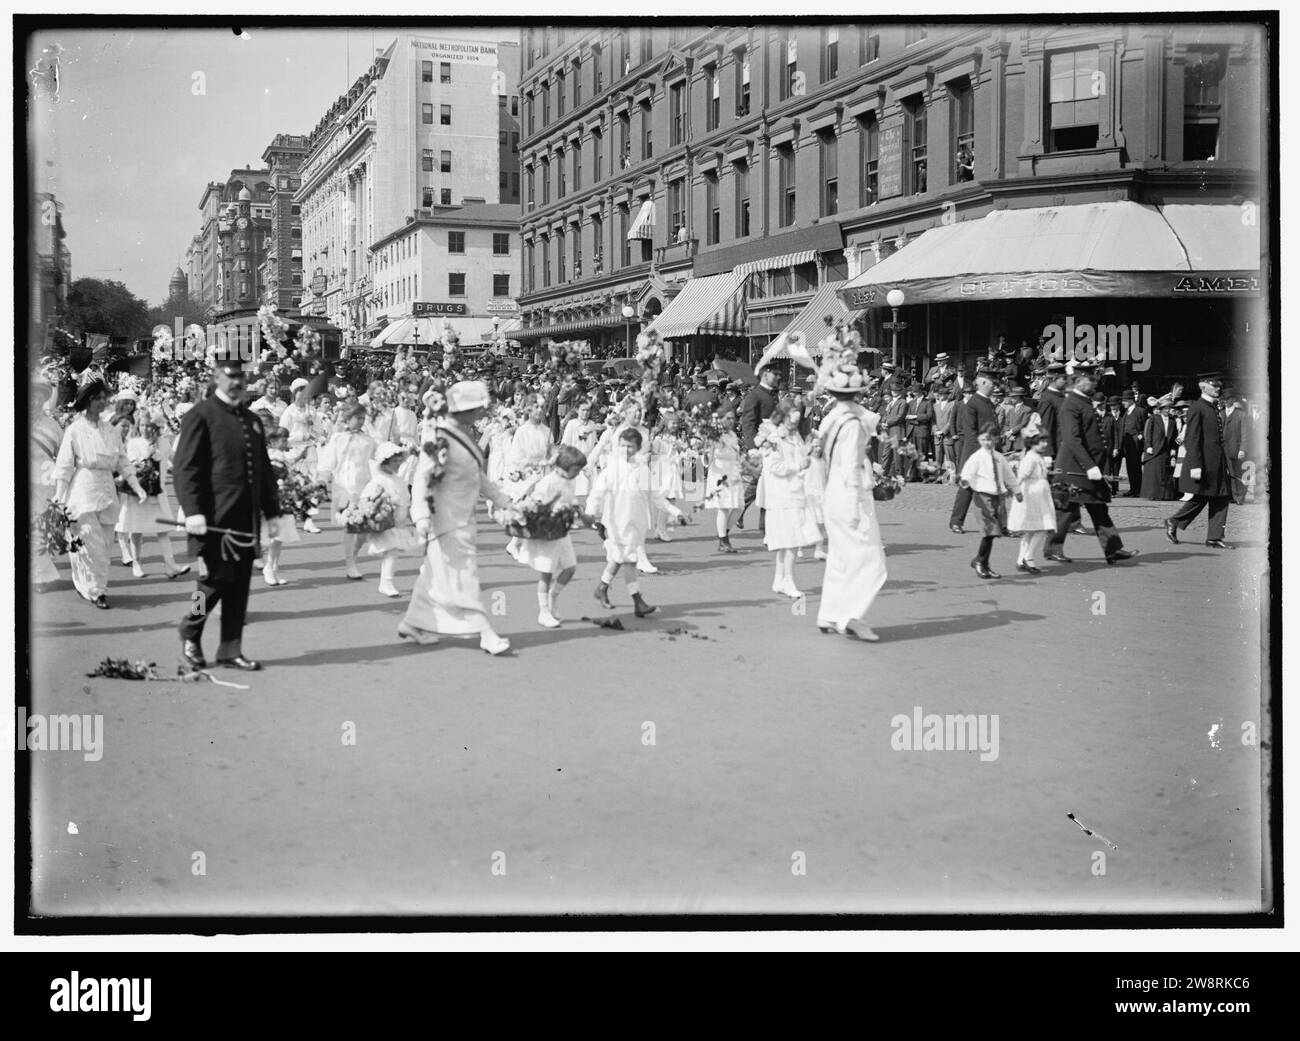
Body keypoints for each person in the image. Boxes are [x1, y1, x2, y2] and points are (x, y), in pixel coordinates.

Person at [173, 359, 284, 669]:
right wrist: (193, 510)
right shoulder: (200, 415)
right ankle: (190, 629)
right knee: (210, 584)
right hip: (212, 519)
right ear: (217, 378)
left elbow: (262, 469)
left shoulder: (251, 419)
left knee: (239, 586)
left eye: (241, 377)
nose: (237, 382)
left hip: (244, 519)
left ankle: (230, 649)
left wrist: (272, 512)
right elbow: (186, 468)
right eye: (231, 376)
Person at [399, 380, 518, 655]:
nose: (480, 414)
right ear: (463, 409)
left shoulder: (461, 434)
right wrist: (420, 516)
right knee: (464, 575)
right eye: (477, 408)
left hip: (463, 515)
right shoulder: (438, 435)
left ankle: (412, 623)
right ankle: (486, 633)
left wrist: (502, 499)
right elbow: (422, 477)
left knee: (434, 572)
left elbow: (476, 475)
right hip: (445, 518)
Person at [50, 380, 147, 609]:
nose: (103, 401)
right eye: (98, 398)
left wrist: (137, 486)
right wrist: (58, 496)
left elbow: (123, 461)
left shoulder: (111, 430)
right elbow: (64, 465)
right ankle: (97, 591)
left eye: (105, 397)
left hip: (107, 490)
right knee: (89, 542)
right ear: (88, 401)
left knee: (103, 545)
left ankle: (88, 584)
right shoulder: (75, 429)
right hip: (83, 488)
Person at [815, 363, 886, 641]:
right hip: (850, 494)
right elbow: (851, 466)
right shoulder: (853, 425)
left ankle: (830, 613)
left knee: (841, 557)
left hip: (832, 492)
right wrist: (855, 505)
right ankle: (851, 617)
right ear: (858, 395)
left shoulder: (830, 418)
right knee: (870, 559)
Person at [588, 428, 686, 616]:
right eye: (623, 446)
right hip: (617, 522)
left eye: (630, 446)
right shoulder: (612, 469)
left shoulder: (643, 471)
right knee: (630, 561)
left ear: (638, 448)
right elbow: (597, 494)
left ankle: (602, 588)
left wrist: (676, 511)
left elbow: (657, 497)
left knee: (618, 559)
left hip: (636, 522)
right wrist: (590, 516)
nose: (626, 450)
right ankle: (637, 601)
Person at [1049, 362, 1138, 565]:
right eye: (1092, 380)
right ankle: (1052, 548)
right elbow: (1073, 439)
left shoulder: (1084, 401)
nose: (1095, 384)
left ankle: (1113, 549)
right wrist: (1089, 466)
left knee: (1098, 507)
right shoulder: (1071, 404)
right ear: (1079, 381)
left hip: (1086, 468)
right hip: (1074, 469)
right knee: (1066, 511)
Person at [511, 444, 590, 628]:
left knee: (570, 568)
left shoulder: (570, 481)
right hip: (547, 532)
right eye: (575, 469)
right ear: (563, 467)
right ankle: (543, 611)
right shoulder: (547, 482)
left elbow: (572, 500)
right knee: (546, 573)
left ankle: (553, 598)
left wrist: (580, 512)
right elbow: (534, 505)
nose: (578, 473)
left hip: (562, 531)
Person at [1165, 374, 1234, 549]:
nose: (1218, 388)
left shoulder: (1212, 407)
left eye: (1219, 385)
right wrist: (1195, 465)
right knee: (1203, 497)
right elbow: (1192, 438)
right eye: (1214, 386)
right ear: (1203, 387)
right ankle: (1175, 521)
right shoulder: (1198, 407)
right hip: (1204, 463)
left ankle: (1214, 537)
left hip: (1216, 463)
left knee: (1220, 497)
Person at [116, 419, 191, 579]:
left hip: (158, 492)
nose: (145, 429)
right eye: (142, 425)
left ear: (156, 427)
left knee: (163, 530)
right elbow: (133, 465)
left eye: (149, 425)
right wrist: (149, 453)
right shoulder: (134, 443)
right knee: (136, 529)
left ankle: (170, 565)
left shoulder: (163, 442)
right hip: (139, 492)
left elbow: (174, 459)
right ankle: (136, 562)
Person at [762, 400, 822, 599]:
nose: (794, 427)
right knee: (790, 541)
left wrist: (808, 451)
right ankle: (787, 580)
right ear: (783, 417)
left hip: (796, 492)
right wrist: (798, 466)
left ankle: (779, 580)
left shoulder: (794, 435)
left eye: (797, 423)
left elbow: (799, 454)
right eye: (791, 422)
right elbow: (774, 466)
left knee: (791, 541)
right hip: (782, 496)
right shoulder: (773, 438)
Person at [316, 404, 379, 580]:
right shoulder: (338, 439)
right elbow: (328, 460)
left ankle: (355, 555)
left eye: (363, 418)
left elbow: (379, 458)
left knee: (364, 531)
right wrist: (323, 478)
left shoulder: (368, 440)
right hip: (344, 488)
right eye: (358, 418)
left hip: (364, 487)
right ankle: (350, 563)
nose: (361, 421)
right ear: (348, 419)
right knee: (351, 527)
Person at [357, 441, 420, 598]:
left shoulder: (399, 480)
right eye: (394, 462)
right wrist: (375, 508)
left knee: (393, 552)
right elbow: (366, 498)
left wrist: (411, 517)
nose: (398, 465)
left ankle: (385, 582)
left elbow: (406, 499)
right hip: (385, 521)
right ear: (385, 463)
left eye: (399, 462)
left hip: (398, 522)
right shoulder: (379, 480)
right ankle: (386, 582)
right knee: (391, 551)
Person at [960, 423, 1021, 579]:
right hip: (982, 497)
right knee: (990, 530)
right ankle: (980, 561)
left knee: (993, 532)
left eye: (990, 439)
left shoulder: (999, 457)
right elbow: (967, 472)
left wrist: (1017, 491)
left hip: (997, 498)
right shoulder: (977, 457)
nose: (987, 443)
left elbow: (1009, 476)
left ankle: (983, 562)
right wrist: (965, 481)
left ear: (996, 439)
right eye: (983, 439)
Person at [948, 368, 1000, 534]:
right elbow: (970, 432)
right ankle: (956, 521)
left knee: (994, 488)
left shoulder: (988, 403)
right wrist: (984, 452)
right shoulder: (973, 403)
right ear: (983, 382)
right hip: (974, 454)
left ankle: (997, 523)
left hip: (989, 451)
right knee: (966, 488)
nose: (995, 387)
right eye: (993, 383)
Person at [31, 376, 66, 591]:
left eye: (39, 397)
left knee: (39, 530)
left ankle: (40, 576)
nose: (35, 401)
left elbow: (63, 457)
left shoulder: (52, 426)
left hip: (44, 485)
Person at [1008, 432, 1056, 574]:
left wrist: (1051, 473)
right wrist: (1016, 492)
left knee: (1031, 530)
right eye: (1041, 441)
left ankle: (1021, 559)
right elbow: (1022, 476)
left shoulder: (1036, 457)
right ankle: (1028, 558)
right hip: (1033, 496)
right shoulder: (1030, 458)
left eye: (1045, 441)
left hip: (1037, 494)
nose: (1045, 444)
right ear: (1033, 443)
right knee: (1042, 527)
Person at [260, 426, 301, 587]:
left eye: (286, 439)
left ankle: (273, 567)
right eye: (283, 440)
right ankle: (268, 567)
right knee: (275, 536)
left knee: (281, 537)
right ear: (272, 441)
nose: (286, 443)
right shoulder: (271, 456)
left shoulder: (281, 455)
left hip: (283, 498)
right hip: (274, 499)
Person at [705, 409, 744, 553]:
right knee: (724, 507)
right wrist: (708, 449)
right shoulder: (714, 436)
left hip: (734, 473)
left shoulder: (733, 435)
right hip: (720, 474)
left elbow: (737, 454)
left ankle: (724, 533)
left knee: (739, 506)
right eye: (728, 418)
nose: (731, 421)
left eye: (733, 418)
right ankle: (723, 540)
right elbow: (707, 460)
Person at [1141, 402, 1178, 500]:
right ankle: (1152, 494)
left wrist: (1174, 448)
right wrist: (1148, 446)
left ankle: (1164, 495)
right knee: (1154, 473)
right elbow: (1149, 433)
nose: (1167, 410)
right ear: (1161, 409)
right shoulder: (1154, 418)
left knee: (1164, 472)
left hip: (1166, 448)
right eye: (1165, 408)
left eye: (1168, 408)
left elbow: (1174, 436)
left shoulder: (1172, 420)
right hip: (1155, 448)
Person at [1221, 386, 1248, 506]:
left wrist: (1242, 449)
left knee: (1237, 474)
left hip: (1235, 449)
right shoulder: (1220, 413)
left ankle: (1239, 497)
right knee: (1224, 474)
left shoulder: (1241, 415)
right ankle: (1230, 495)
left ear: (1233, 399)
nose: (1226, 401)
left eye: (1228, 399)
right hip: (1222, 450)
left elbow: (1245, 434)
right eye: (1224, 399)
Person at [1119, 390, 1147, 496]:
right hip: (1127, 444)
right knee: (1130, 467)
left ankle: (1138, 489)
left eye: (1125, 401)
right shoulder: (1125, 412)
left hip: (1136, 443)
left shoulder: (1140, 411)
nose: (1123, 403)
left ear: (1131, 400)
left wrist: (1140, 436)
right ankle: (1133, 488)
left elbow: (1146, 427)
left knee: (1136, 467)